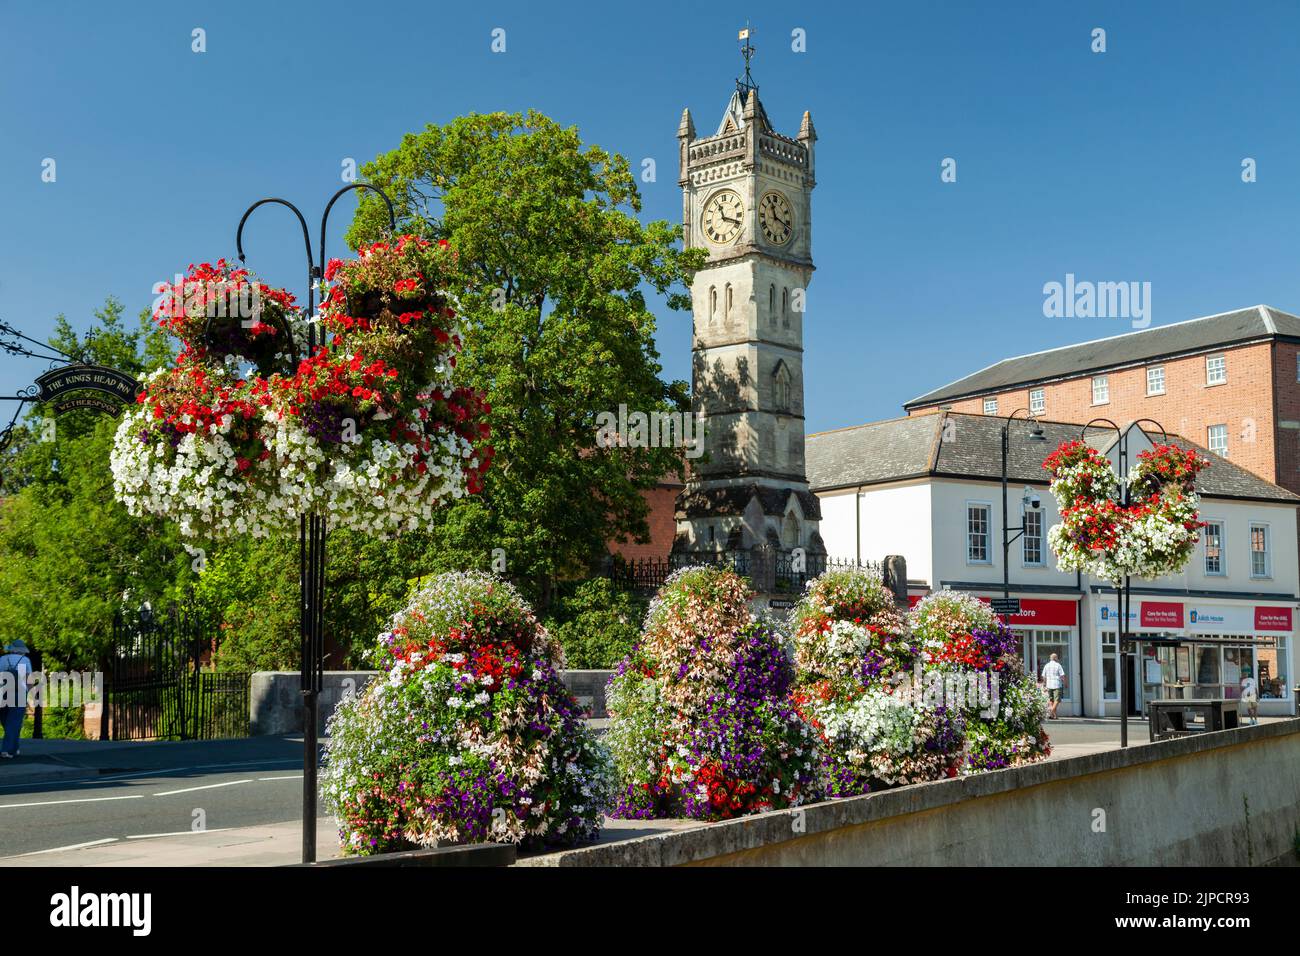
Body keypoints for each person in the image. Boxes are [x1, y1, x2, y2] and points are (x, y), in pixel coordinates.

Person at [0, 639, 31, 758]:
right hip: (19, 694)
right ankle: (6, 750)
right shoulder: (25, 660)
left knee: (7, 721)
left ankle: (14, 747)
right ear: (22, 651)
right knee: (14, 722)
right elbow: (29, 680)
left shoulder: (2, 659)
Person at [1041, 652, 1066, 720]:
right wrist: (1065, 683)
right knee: (1057, 700)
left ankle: (1054, 716)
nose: (1057, 659)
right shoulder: (1058, 665)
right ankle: (1051, 711)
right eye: (1057, 657)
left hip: (1049, 684)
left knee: (1051, 700)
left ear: (1050, 658)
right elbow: (1062, 675)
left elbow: (1043, 676)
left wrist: (1044, 684)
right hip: (1057, 684)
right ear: (1055, 658)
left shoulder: (1046, 665)